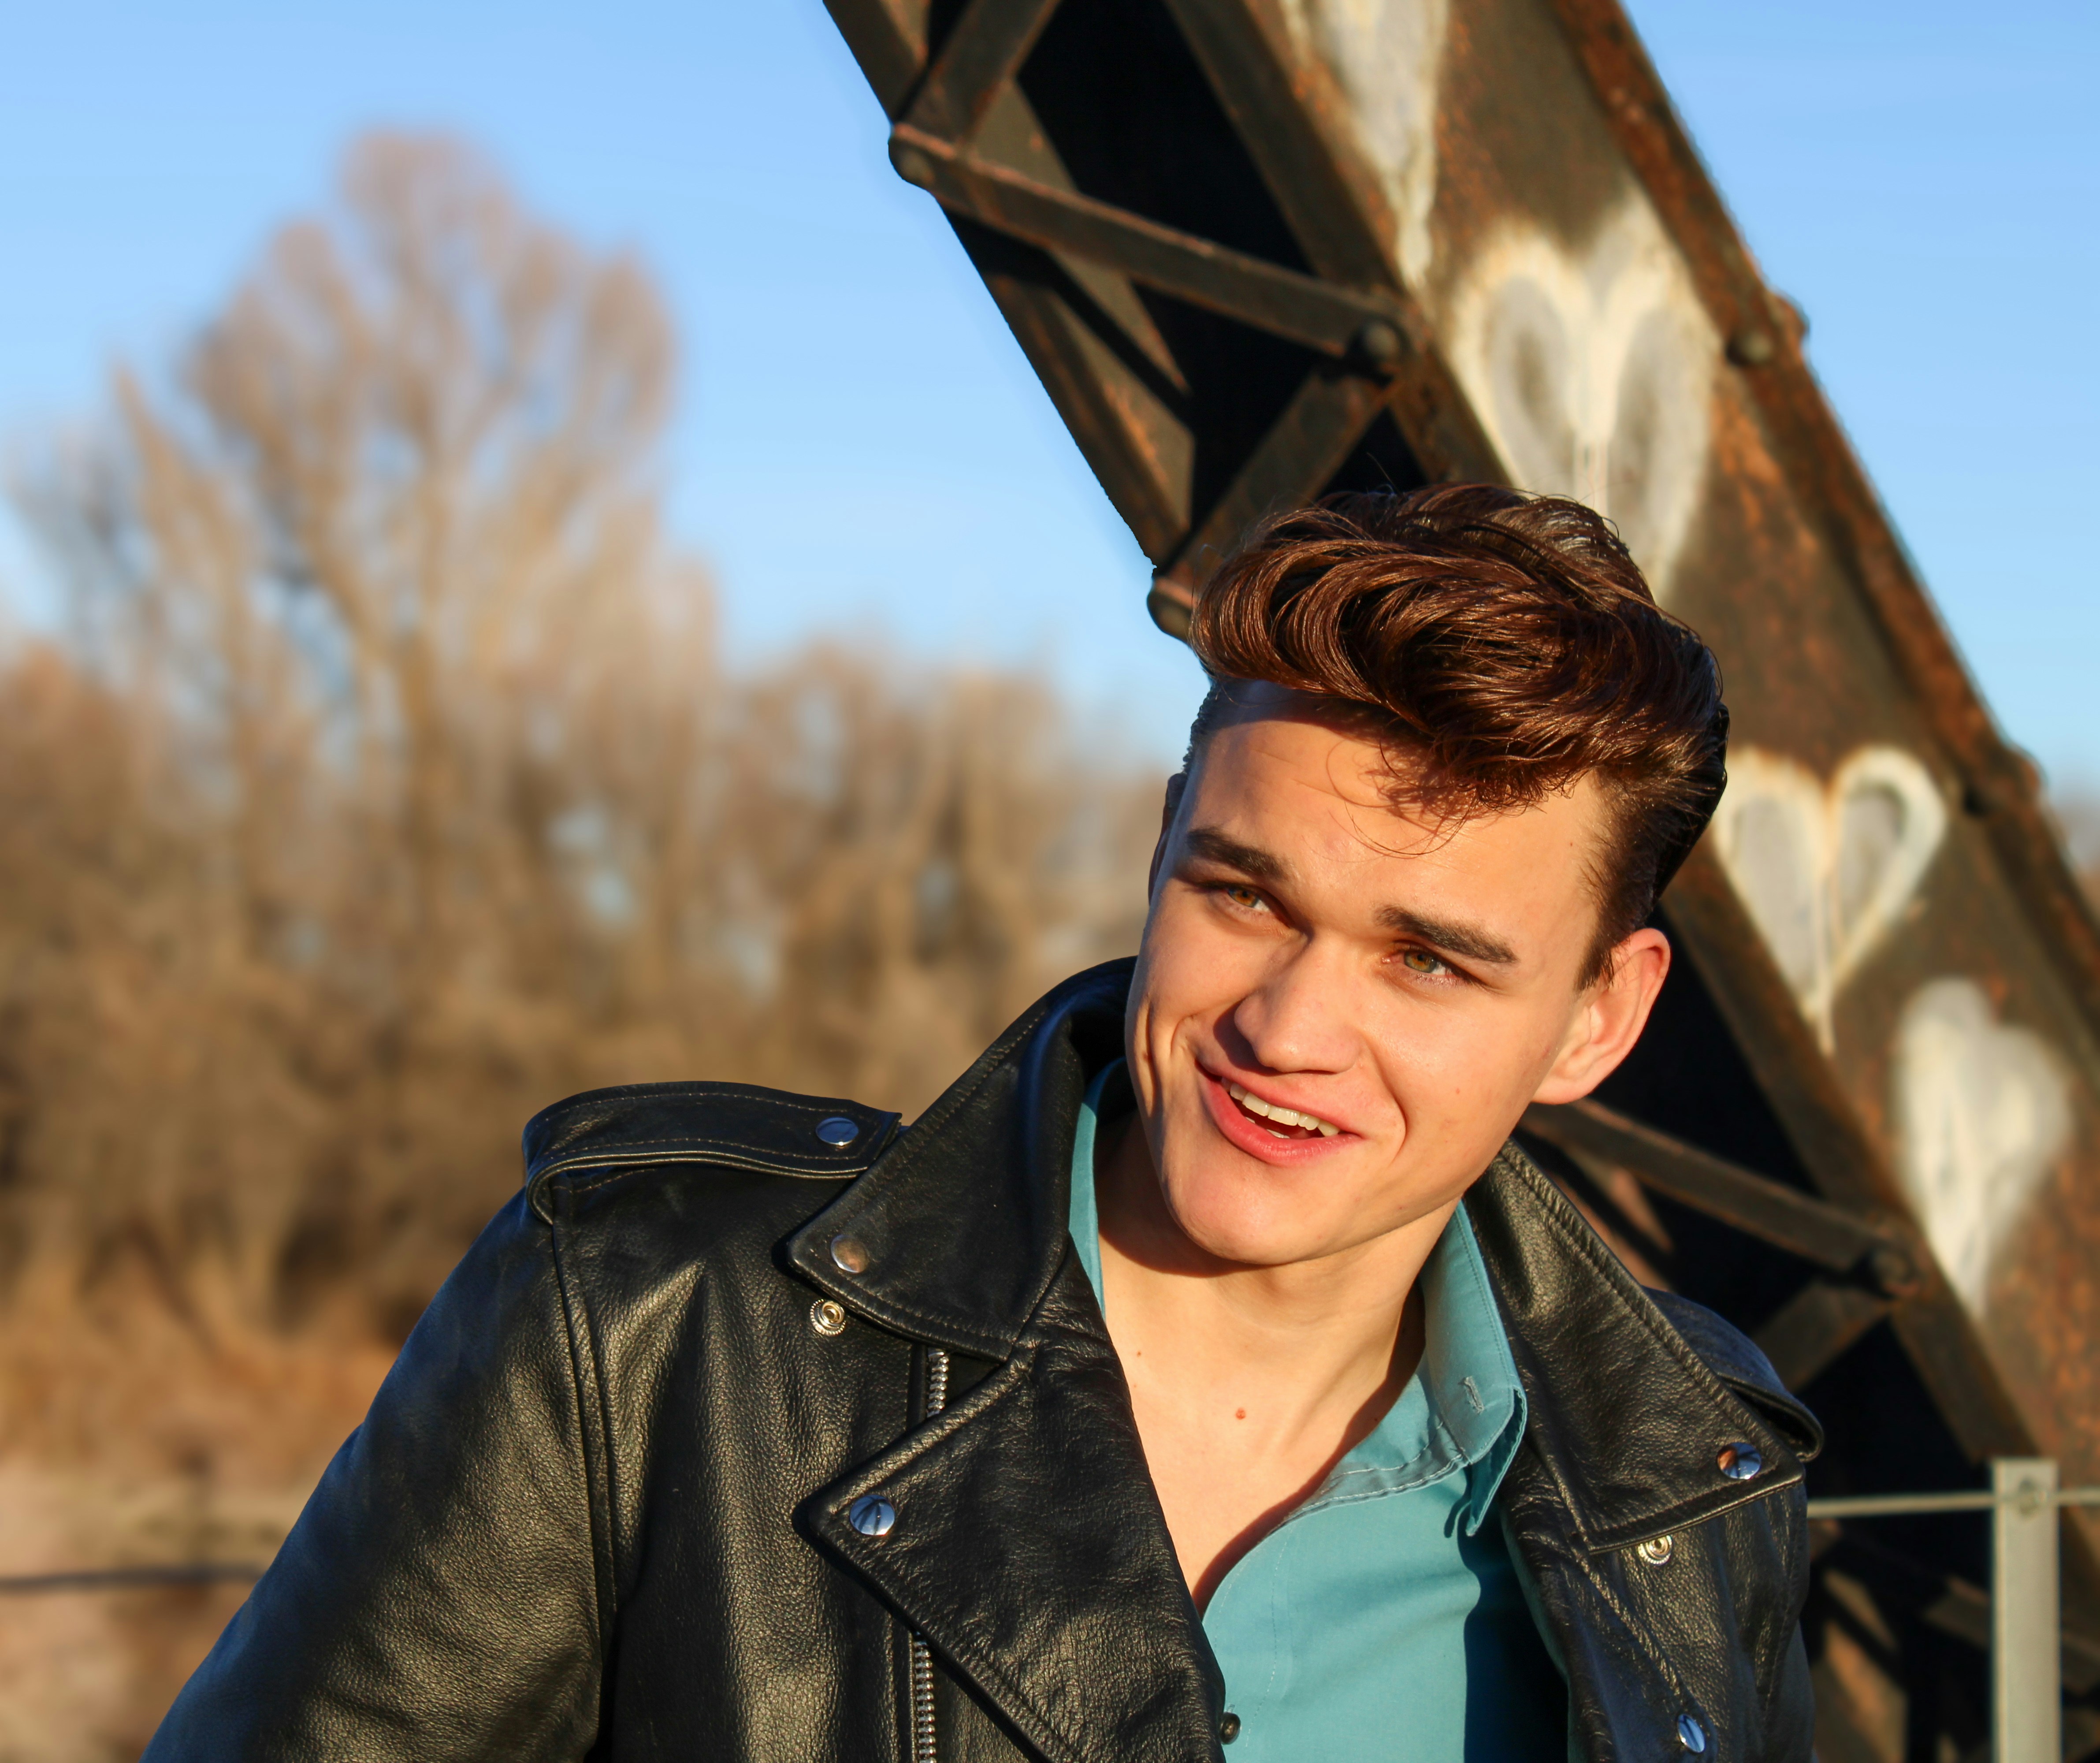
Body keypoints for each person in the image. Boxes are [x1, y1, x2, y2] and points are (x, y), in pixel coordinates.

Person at [145, 484, 1818, 1763]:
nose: (1291, 1030)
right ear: (1165, 845)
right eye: (1245, 896)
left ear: (1599, 1016)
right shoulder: (655, 1323)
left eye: (1430, 964)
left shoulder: (1687, 1470)